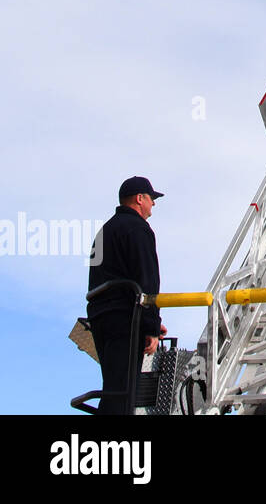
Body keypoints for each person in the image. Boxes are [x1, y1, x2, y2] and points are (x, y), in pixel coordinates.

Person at [86, 176, 168, 414]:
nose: (153, 204)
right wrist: (151, 326)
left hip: (101, 318)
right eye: (151, 198)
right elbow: (147, 281)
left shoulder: (104, 232)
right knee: (125, 390)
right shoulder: (139, 229)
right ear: (139, 199)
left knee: (113, 385)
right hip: (125, 320)